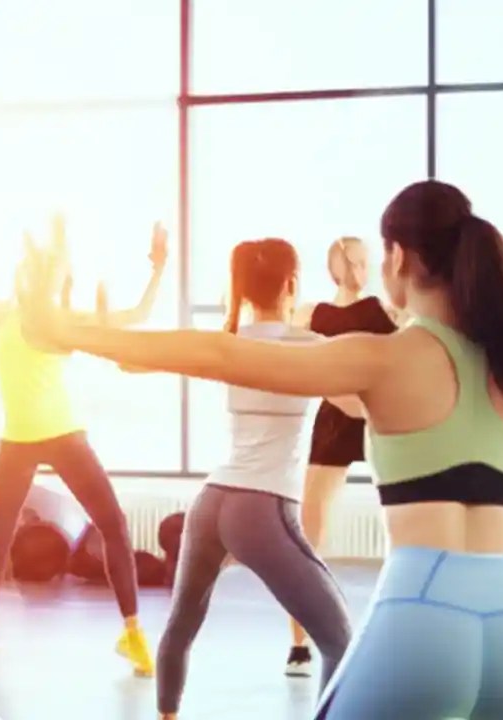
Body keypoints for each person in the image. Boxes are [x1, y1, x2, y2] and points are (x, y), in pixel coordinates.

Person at [11, 180, 503, 720]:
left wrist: (69, 330)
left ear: (400, 258)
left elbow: (218, 352)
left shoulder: (380, 357)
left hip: (419, 619)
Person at [154, 237, 354, 716]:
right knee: (341, 642)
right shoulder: (309, 346)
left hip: (211, 500)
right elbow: (355, 404)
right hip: (261, 508)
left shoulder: (232, 341)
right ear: (292, 283)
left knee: (181, 624)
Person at [0, 216, 165, 678]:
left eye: (56, 271)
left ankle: (132, 633)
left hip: (63, 435)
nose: (51, 278)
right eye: (45, 270)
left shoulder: (62, 321)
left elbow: (134, 317)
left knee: (112, 524)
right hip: (16, 438)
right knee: (0, 528)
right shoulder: (3, 316)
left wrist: (157, 270)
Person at [286, 236, 397, 677]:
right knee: (309, 534)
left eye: (367, 262)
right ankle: (299, 643)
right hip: (337, 417)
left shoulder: (384, 311)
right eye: (358, 261)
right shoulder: (313, 314)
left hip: (377, 416)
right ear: (342, 265)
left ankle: (389, 633)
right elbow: (288, 352)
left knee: (402, 524)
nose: (363, 269)